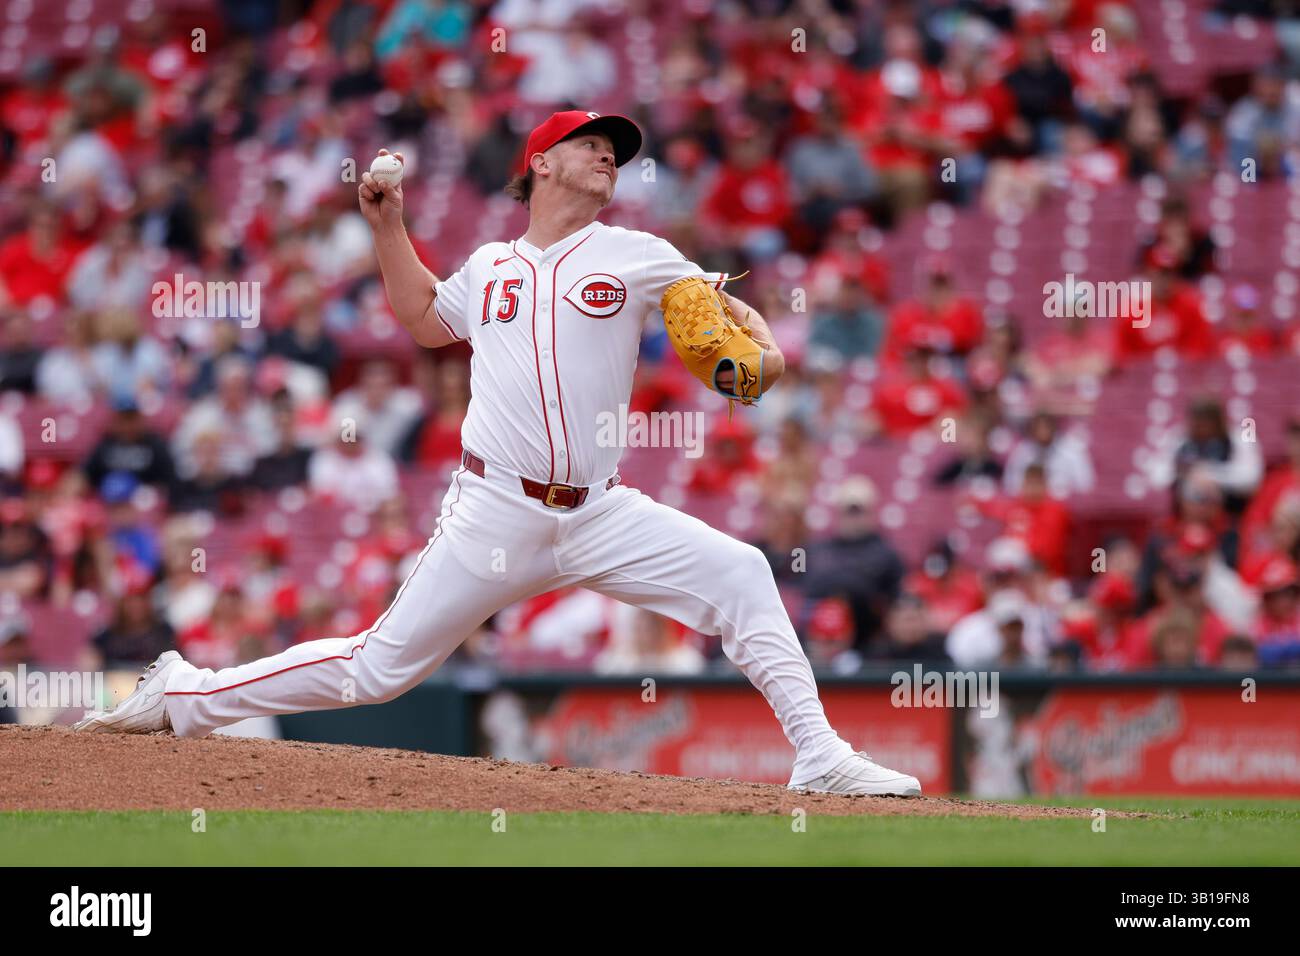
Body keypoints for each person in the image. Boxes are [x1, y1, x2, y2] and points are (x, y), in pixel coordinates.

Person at [75, 110, 921, 796]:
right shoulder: (490, 266)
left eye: (615, 151)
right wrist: (390, 226)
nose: (607, 157)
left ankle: (818, 756)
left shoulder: (643, 257)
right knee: (377, 672)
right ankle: (183, 694)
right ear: (540, 164)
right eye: (589, 144)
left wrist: (755, 362)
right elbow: (422, 321)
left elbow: (728, 359)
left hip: (599, 509)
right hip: (496, 510)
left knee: (741, 571)